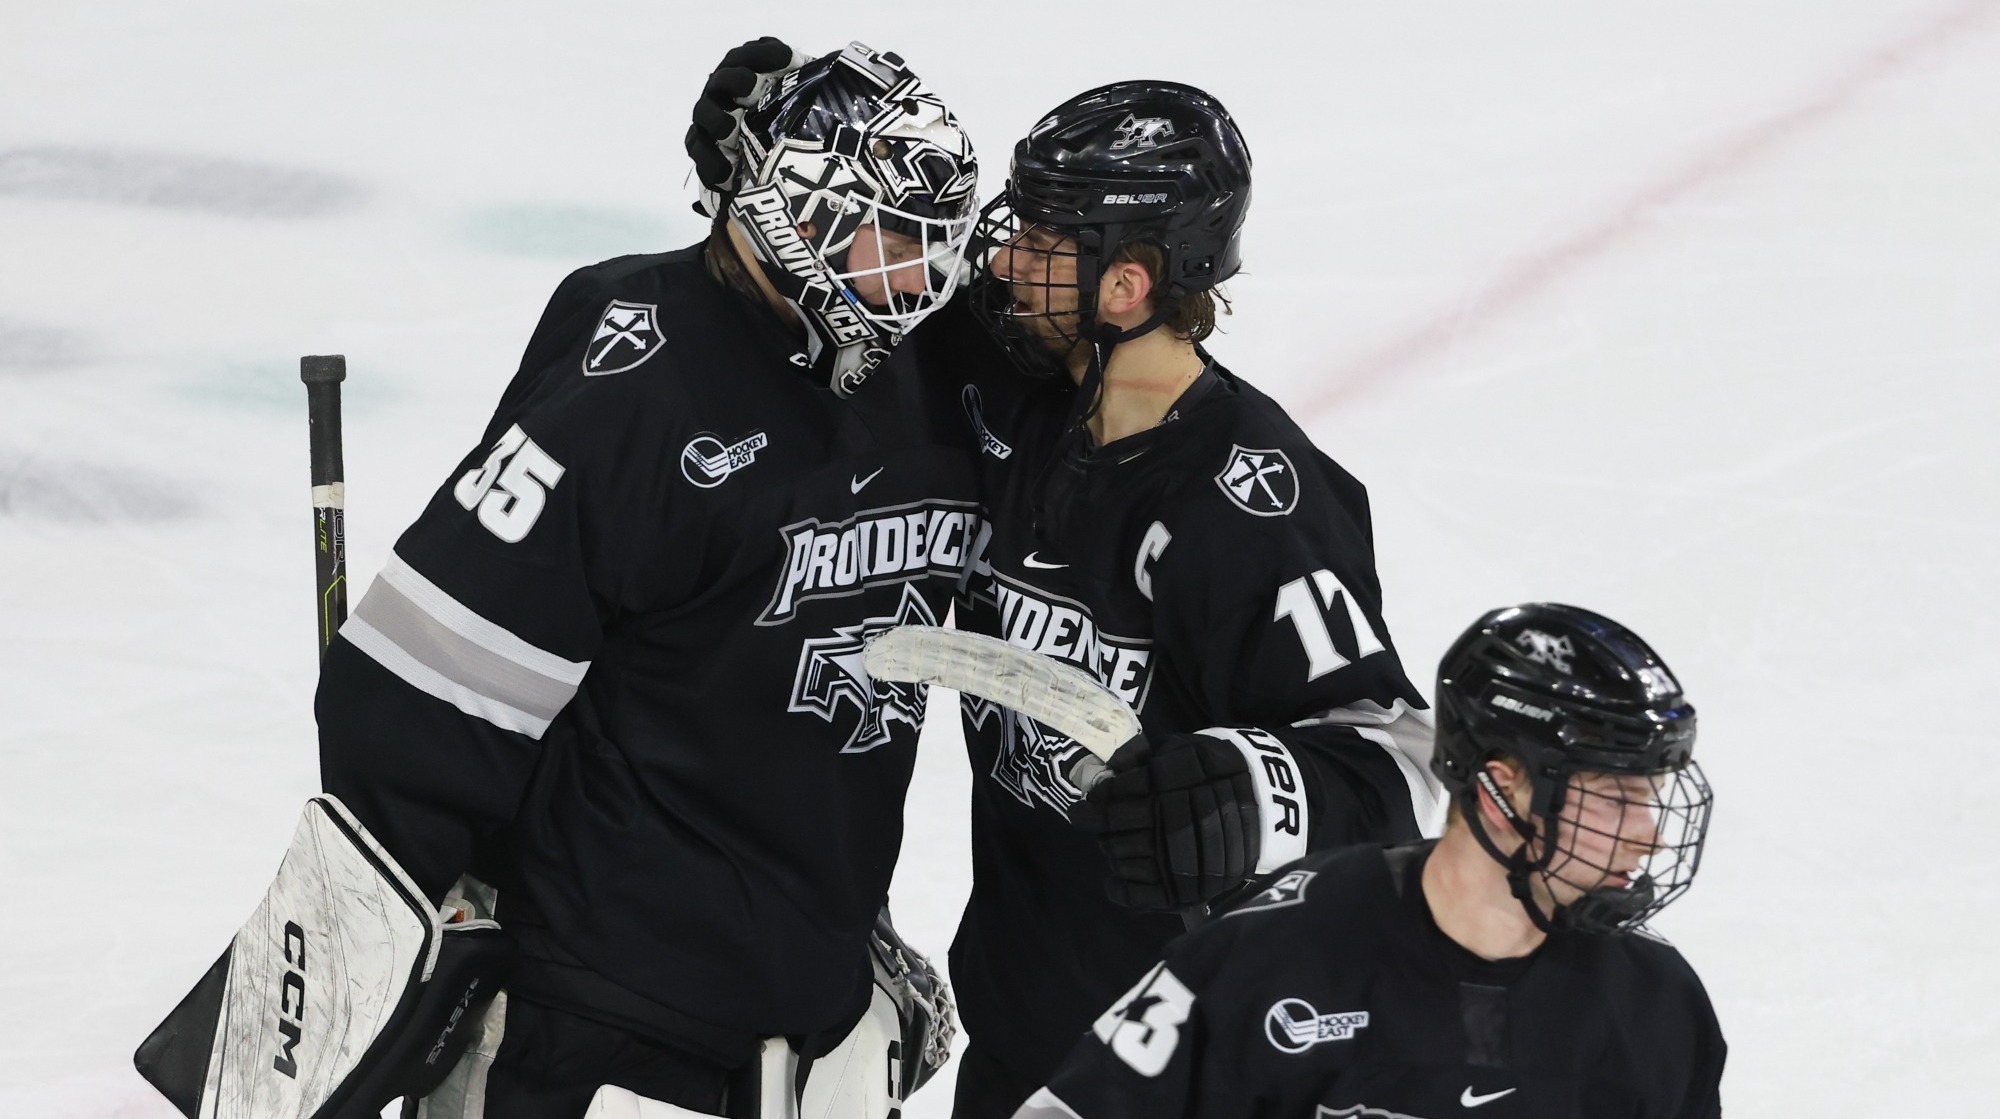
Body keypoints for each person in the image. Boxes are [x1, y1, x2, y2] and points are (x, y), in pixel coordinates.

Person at [690, 55, 1443, 1119]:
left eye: (1043, 242)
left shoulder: (1250, 505)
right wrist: (762, 171)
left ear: (1127, 284)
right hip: (1026, 1035)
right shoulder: (1012, 386)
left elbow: (1404, 763)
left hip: (1196, 1064)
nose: (1003, 261)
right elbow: (858, 286)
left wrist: (1250, 790)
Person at [311, 42, 980, 1118]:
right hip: (604, 1025)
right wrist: (391, 919)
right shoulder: (642, 381)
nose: (927, 278)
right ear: (796, 210)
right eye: (893, 234)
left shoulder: (910, 370)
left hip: (800, 1004)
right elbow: (419, 687)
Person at [1014, 603, 1724, 1119]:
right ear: (1502, 786)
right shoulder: (1276, 956)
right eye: (1614, 798)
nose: (1650, 835)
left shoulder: (1655, 1005)